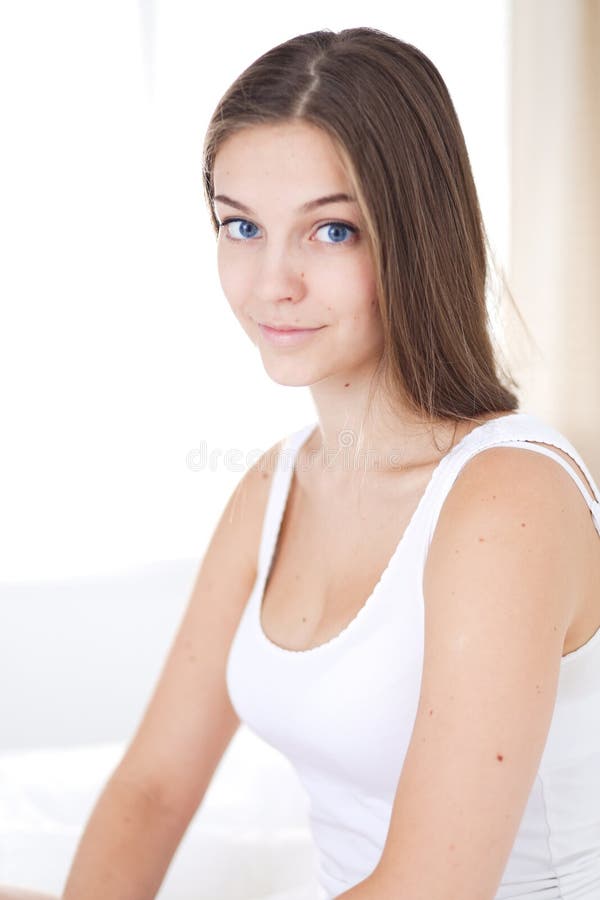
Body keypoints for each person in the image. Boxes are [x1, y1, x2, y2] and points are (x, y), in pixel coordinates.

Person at [3, 25, 599, 900]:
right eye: (241, 226)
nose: (270, 281)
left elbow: (432, 888)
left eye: (329, 232)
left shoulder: (509, 499)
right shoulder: (275, 488)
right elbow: (153, 788)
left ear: (414, 233)